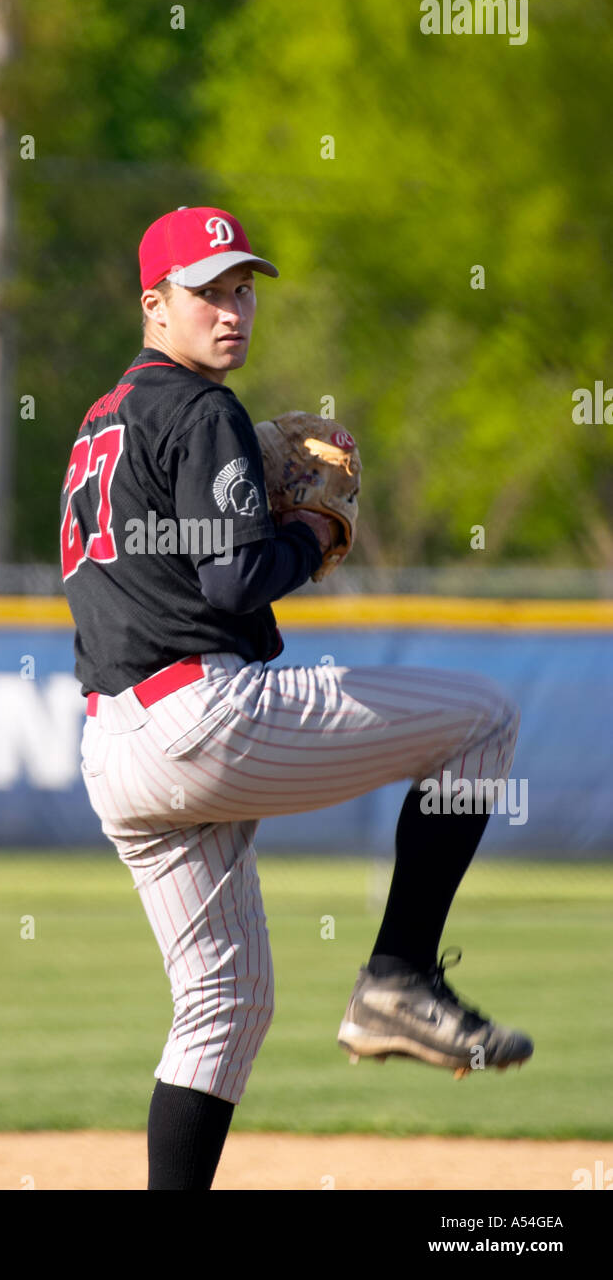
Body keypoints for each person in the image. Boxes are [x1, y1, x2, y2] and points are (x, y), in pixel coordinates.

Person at [59, 205, 532, 1191]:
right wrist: (316, 533)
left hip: (114, 748)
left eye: (243, 289)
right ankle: (400, 974)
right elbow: (232, 584)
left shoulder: (101, 422)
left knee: (224, 1003)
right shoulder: (204, 411)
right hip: (201, 719)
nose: (233, 310)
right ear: (154, 304)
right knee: (483, 716)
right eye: (207, 291)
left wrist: (241, 486)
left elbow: (169, 563)